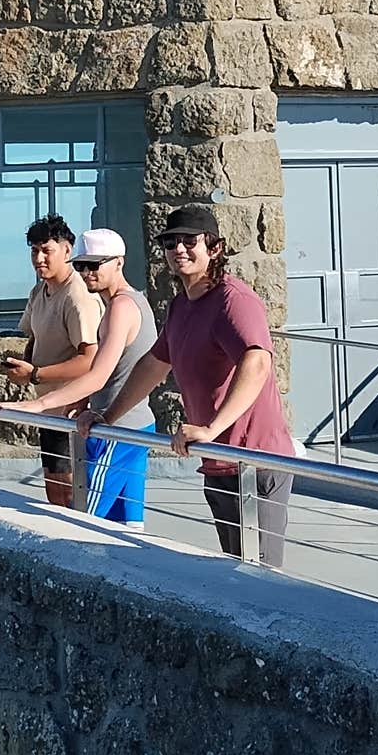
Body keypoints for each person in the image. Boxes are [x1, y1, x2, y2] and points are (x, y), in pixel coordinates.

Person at [95, 204, 297, 567]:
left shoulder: (234, 301)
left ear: (214, 248)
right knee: (235, 570)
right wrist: (108, 418)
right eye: (171, 242)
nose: (178, 249)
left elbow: (258, 361)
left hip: (255, 462)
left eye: (190, 240)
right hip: (218, 462)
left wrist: (211, 429)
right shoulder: (180, 306)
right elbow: (154, 365)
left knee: (264, 578)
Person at [27, 227, 159, 528]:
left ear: (119, 262)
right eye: (81, 265)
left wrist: (38, 403)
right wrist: (84, 401)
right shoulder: (128, 302)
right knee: (128, 528)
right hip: (131, 425)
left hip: (118, 428)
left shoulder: (121, 307)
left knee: (82, 519)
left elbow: (98, 373)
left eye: (95, 264)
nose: (87, 272)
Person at [4, 214, 103, 506]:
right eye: (34, 251)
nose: (39, 258)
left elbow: (89, 359)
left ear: (67, 250)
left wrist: (35, 374)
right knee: (54, 492)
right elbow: (33, 337)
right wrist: (23, 366)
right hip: (48, 410)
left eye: (47, 250)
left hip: (72, 411)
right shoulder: (40, 291)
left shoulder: (78, 296)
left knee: (71, 496)